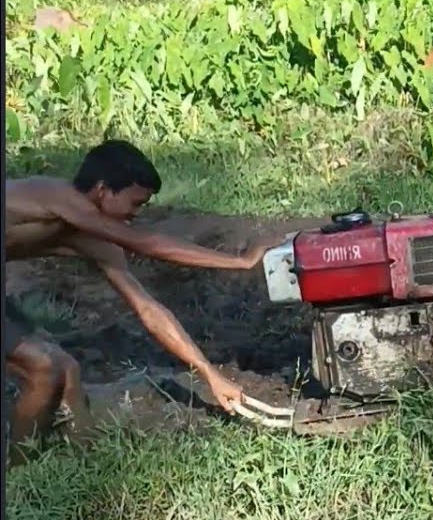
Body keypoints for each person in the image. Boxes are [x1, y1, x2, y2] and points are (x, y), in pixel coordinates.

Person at [4, 139, 279, 457]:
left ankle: (84, 466)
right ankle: (21, 476)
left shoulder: (91, 238)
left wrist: (210, 376)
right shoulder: (53, 194)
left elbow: (149, 310)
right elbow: (145, 243)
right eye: (134, 204)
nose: (136, 215)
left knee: (67, 370)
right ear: (104, 190)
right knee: (43, 367)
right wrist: (241, 261)